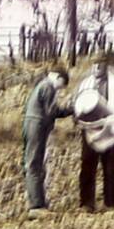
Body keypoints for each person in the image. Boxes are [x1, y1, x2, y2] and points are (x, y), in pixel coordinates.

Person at [74, 56, 114, 212]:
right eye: (95, 64)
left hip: (111, 132)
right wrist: (80, 118)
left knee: (110, 168)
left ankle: (110, 204)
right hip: (90, 132)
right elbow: (80, 105)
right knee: (87, 166)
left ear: (106, 66)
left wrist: (107, 120)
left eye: (101, 64)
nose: (97, 67)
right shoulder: (86, 84)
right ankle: (86, 204)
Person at [21, 67, 71, 215]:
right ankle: (36, 206)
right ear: (56, 76)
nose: (60, 89)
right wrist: (71, 109)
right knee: (34, 165)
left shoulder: (41, 85)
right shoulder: (48, 86)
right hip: (37, 127)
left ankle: (35, 199)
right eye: (61, 84)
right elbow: (52, 111)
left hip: (31, 125)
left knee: (32, 163)